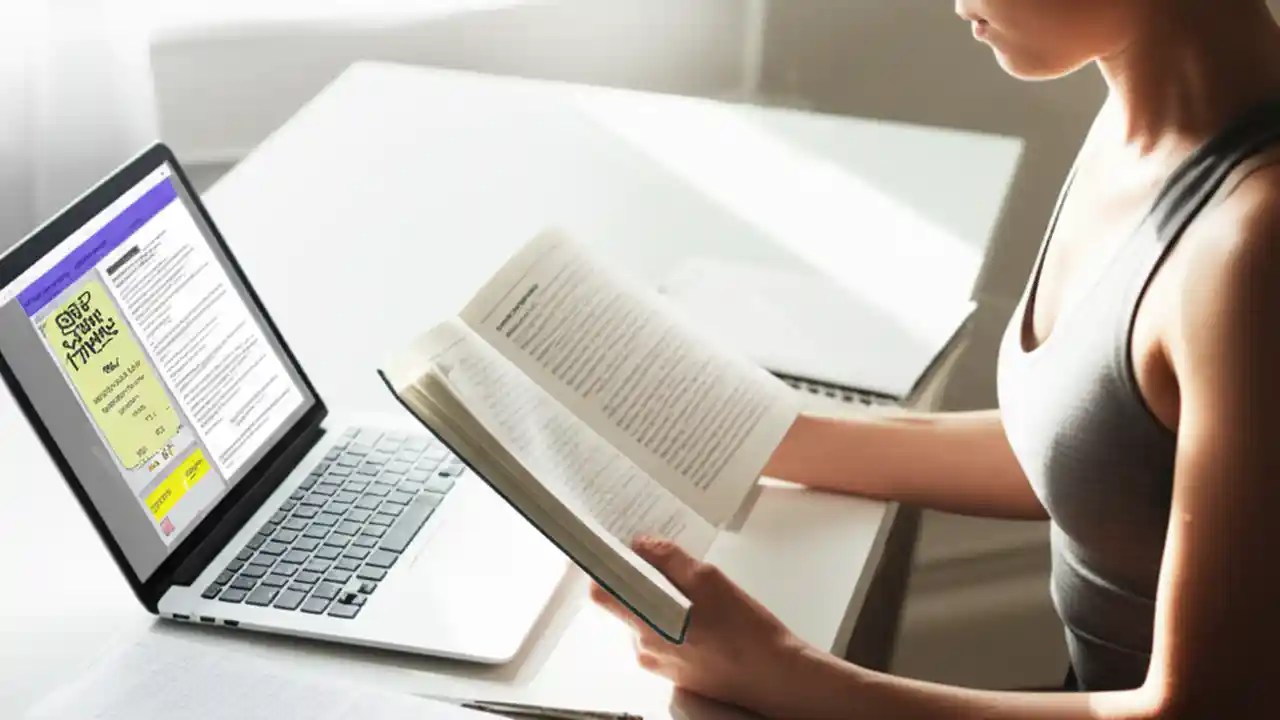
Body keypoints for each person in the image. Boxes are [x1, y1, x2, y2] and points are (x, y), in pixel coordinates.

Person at [590, 0, 1280, 717]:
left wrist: (790, 675)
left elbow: (1208, 707)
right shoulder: (1142, 122)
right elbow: (1103, 456)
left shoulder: (1253, 245)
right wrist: (738, 433)